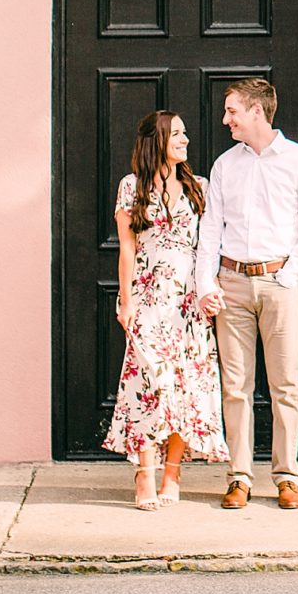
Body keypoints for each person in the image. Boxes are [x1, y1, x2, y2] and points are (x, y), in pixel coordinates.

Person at [196, 78, 298, 511]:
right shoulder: (225, 165)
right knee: (235, 386)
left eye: (232, 111)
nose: (226, 119)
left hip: (279, 282)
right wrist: (206, 284)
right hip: (231, 283)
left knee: (285, 384)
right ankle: (239, 477)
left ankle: (287, 477)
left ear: (257, 111)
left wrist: (289, 276)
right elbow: (211, 229)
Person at [104, 111, 229, 510]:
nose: (185, 139)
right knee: (147, 383)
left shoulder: (198, 187)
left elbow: (209, 246)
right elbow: (127, 248)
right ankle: (145, 472)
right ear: (156, 140)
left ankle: (172, 473)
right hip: (149, 297)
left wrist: (209, 290)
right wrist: (126, 300)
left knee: (186, 385)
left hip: (188, 303)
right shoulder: (131, 186)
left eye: (184, 133)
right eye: (177, 133)